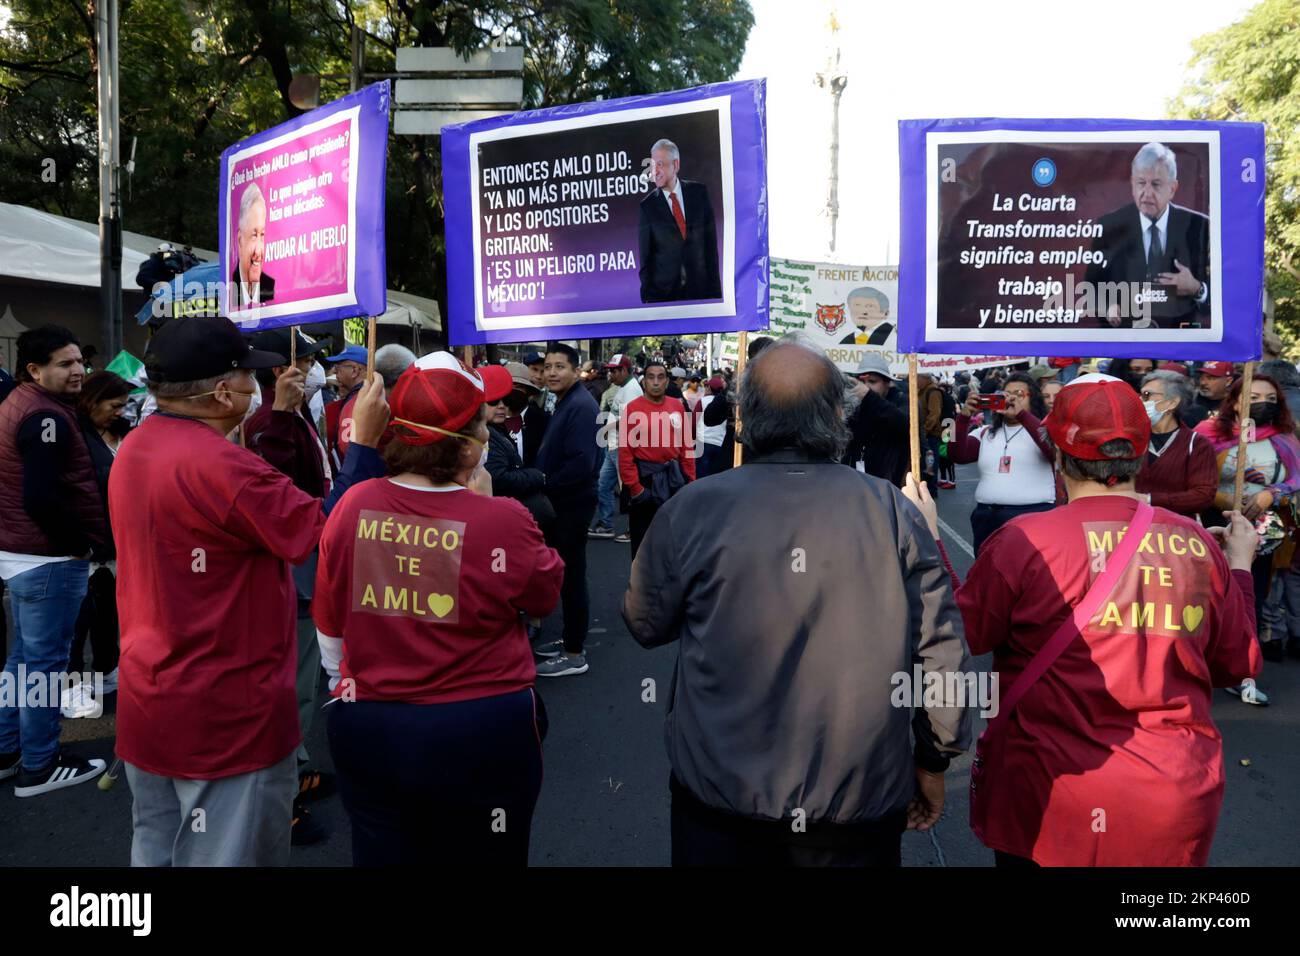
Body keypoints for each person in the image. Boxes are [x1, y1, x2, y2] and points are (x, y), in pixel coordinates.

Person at [622, 338, 971, 866]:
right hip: (854, 806)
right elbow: (941, 653)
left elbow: (645, 620)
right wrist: (934, 760)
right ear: (835, 414)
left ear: (747, 414)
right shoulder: (890, 511)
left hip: (722, 802)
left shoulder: (694, 507)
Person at [905, 376, 1260, 866]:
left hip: (1050, 792)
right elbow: (1237, 664)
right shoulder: (1199, 545)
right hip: (1169, 796)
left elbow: (966, 633)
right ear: (1141, 452)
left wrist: (930, 538)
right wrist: (1240, 566)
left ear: (1058, 453)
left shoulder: (1024, 540)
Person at [110, 316, 390, 866]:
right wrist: (366, 445)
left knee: (158, 853)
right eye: (247, 376)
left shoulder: (140, 445)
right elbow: (332, 534)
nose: (256, 386)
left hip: (152, 698)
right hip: (227, 713)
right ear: (220, 391)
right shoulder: (219, 464)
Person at [312, 353, 563, 866]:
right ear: (470, 439)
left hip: (371, 726)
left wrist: (358, 684)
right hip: (483, 728)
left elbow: (330, 629)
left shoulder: (352, 506)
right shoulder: (503, 520)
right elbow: (543, 598)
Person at [0, 326, 109, 795]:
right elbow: (40, 497)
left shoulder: (26, 404)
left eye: (78, 361)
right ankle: (40, 765)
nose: (78, 370)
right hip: (46, 559)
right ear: (34, 370)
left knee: (23, 663)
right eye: (64, 364)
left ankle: (8, 752)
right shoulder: (44, 416)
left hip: (23, 557)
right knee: (43, 666)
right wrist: (79, 546)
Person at [1194, 373, 1300, 694]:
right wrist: (1222, 497)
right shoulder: (1207, 433)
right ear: (1235, 400)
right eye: (1253, 398)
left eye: (1269, 399)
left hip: (1262, 530)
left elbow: (1296, 478)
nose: (1262, 405)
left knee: (1250, 592)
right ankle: (1198, 660)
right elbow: (1195, 476)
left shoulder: (1285, 437)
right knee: (1210, 591)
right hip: (1216, 522)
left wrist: (1273, 494)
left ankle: (1241, 667)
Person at [63, 371, 134, 718]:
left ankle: (107, 672)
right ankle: (70, 688)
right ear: (93, 400)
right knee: (76, 625)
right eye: (115, 404)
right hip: (85, 545)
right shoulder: (74, 436)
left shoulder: (124, 434)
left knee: (107, 616)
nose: (121, 411)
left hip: (114, 545)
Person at [1085, 142, 1210, 329]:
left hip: (1179, 343)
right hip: (1128, 342)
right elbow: (1090, 288)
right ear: (1132, 184)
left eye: (1156, 184)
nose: (1147, 193)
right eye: (1141, 183)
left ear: (1173, 188)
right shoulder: (1109, 226)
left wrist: (1196, 288)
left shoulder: (1199, 226)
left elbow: (1228, 294)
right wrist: (1106, 306)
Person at [533, 344, 601, 677]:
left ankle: (575, 653)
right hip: (561, 505)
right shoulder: (565, 401)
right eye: (547, 367)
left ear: (576, 371)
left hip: (570, 507)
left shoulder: (581, 405)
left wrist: (542, 482)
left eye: (560, 366)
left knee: (572, 578)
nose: (552, 373)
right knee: (565, 576)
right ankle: (568, 640)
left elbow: (582, 463)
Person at [951, 371, 1056, 553]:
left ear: (1033, 399)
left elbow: (1051, 448)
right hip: (987, 518)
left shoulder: (1044, 428)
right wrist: (963, 418)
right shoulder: (986, 432)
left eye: (1019, 395)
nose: (1011, 399)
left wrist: (1022, 415)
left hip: (1032, 516)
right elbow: (956, 454)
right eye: (1006, 394)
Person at [619, 361, 696, 559]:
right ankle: (640, 587)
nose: (655, 382)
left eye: (660, 377)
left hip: (674, 480)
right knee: (642, 544)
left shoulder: (677, 406)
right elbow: (625, 453)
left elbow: (686, 446)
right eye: (650, 377)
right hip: (645, 481)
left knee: (672, 542)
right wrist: (636, 488)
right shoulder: (632, 409)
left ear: (667, 381)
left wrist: (690, 481)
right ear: (644, 382)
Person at [638, 138, 721, 302]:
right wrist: (649, 300)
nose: (654, 171)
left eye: (659, 164)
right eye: (652, 165)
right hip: (665, 298)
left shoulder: (699, 193)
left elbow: (710, 249)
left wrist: (716, 295)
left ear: (675, 165)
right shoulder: (647, 207)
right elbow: (645, 261)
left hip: (701, 294)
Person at [1133, 370, 1217, 519]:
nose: (1140, 400)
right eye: (1140, 395)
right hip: (1132, 524)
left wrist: (1150, 499)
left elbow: (1203, 495)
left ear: (1172, 402)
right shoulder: (1132, 438)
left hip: (1175, 531)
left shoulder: (1197, 444)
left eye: (1147, 395)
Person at [590, 354, 641, 540]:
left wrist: (606, 427)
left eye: (614, 370)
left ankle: (633, 529)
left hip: (624, 447)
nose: (610, 373)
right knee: (603, 485)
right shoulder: (623, 387)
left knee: (630, 490)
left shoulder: (632, 389)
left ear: (624, 370)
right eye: (610, 370)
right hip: (614, 446)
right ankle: (606, 524)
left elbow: (630, 419)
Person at [841, 354, 909, 487]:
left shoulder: (902, 400)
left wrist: (868, 396)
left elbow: (904, 424)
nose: (866, 386)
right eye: (863, 382)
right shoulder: (857, 402)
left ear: (887, 383)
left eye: (872, 382)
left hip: (889, 482)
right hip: (859, 480)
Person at [230, 182, 275, 308]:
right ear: (240, 240)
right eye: (254, 235)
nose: (259, 251)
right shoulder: (229, 289)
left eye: (262, 235)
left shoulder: (271, 287)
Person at [323, 344, 368, 469]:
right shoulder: (371, 395)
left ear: (354, 370)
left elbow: (345, 447)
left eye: (338, 368)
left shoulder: (358, 400)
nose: (335, 373)